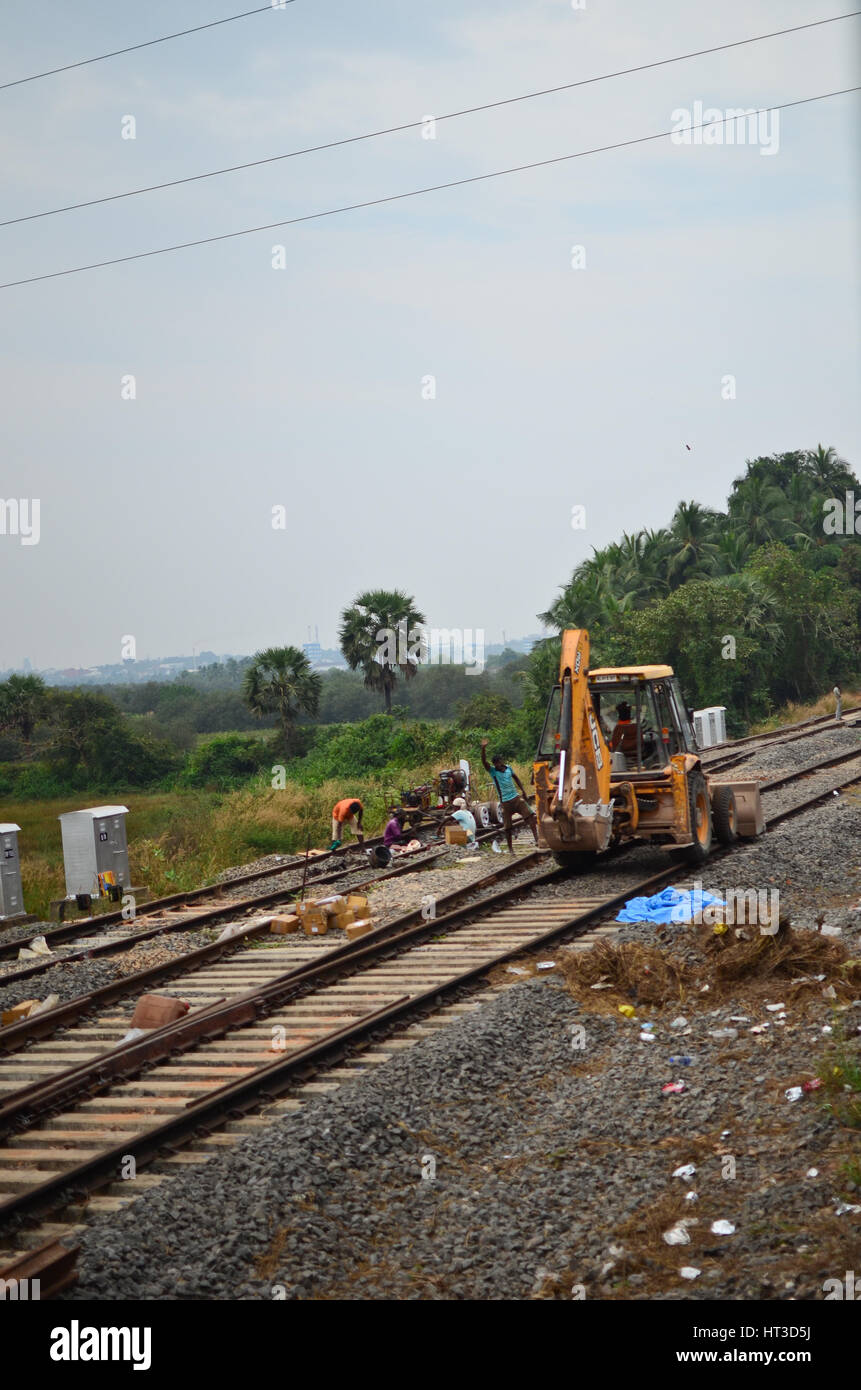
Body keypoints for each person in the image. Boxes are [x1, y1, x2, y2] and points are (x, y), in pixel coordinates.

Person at [480, 739, 538, 852]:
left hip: (516, 798)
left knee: (530, 817)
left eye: (498, 762)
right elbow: (484, 762)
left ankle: (536, 839)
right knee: (507, 827)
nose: (497, 765)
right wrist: (483, 749)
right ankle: (510, 848)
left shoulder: (508, 768)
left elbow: (516, 778)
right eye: (495, 763)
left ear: (501, 761)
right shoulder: (493, 771)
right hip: (505, 802)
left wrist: (523, 791)